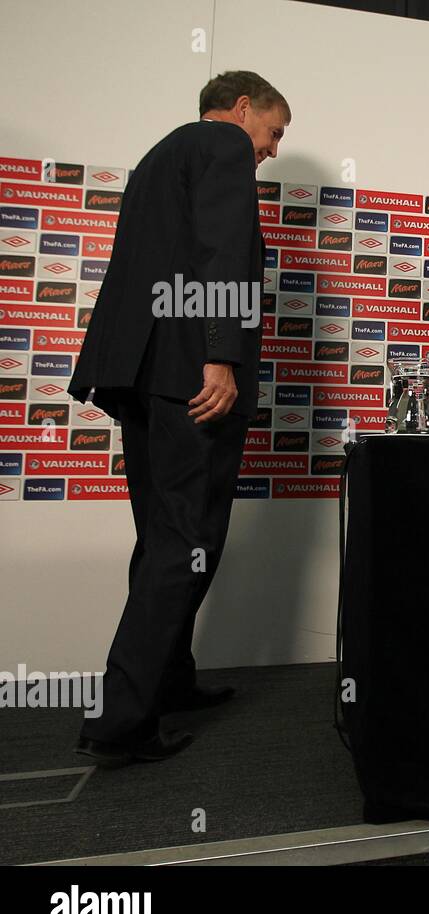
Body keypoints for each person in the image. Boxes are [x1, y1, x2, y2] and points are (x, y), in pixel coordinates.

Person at [66, 71, 290, 763]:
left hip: (144, 376)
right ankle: (121, 722)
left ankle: (169, 679)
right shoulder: (222, 145)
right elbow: (222, 252)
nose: (273, 149)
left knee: (162, 537)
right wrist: (220, 357)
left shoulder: (160, 155)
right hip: (195, 377)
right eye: (274, 131)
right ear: (242, 109)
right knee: (187, 541)